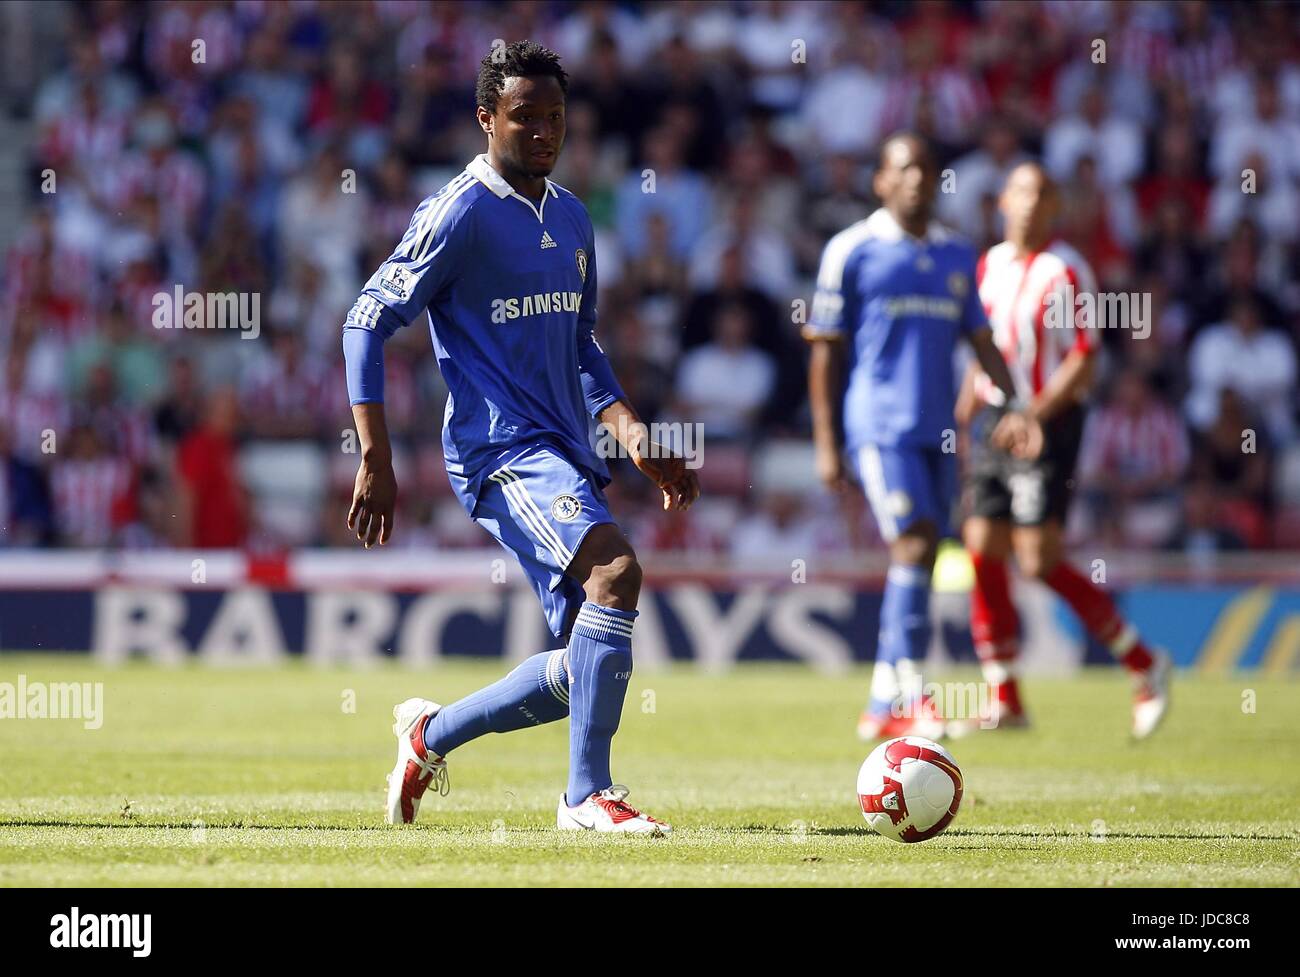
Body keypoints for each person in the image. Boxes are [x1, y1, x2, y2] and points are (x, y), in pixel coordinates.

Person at [342, 42, 698, 834]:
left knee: (583, 665)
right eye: (524, 116)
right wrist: (375, 451)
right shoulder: (458, 213)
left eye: (555, 117)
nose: (543, 131)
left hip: (564, 448)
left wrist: (628, 425)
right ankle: (585, 797)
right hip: (500, 450)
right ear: (485, 119)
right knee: (617, 571)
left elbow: (580, 343)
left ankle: (427, 736)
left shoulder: (572, 215)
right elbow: (366, 319)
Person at [806, 133, 1033, 741]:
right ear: (881, 181)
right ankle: (910, 694)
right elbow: (825, 352)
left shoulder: (959, 256)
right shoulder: (851, 251)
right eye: (904, 169)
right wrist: (827, 443)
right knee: (912, 542)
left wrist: (1017, 405)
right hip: (879, 427)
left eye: (927, 170)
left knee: (927, 553)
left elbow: (983, 342)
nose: (917, 180)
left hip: (939, 431)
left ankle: (882, 702)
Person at [957, 161, 1171, 738]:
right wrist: (966, 407)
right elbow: (984, 344)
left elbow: (1085, 357)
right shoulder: (989, 265)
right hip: (997, 416)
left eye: (1043, 194)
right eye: (1022, 191)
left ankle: (1143, 665)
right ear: (1002, 200)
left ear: (1055, 207)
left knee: (1038, 560)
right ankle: (1005, 698)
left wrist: (1035, 414)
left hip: (1048, 419)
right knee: (980, 547)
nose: (1030, 202)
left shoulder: (1067, 269)